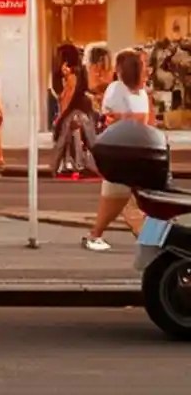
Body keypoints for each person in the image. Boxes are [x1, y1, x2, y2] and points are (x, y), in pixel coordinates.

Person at [82, 49, 154, 251]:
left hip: (127, 150)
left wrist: (123, 117)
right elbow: (137, 119)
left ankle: (98, 234)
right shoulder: (128, 90)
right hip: (126, 151)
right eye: (142, 66)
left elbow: (123, 116)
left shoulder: (127, 90)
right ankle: (149, 238)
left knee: (124, 197)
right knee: (123, 197)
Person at [52, 43, 96, 176]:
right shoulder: (80, 71)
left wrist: (59, 118)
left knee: (63, 131)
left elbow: (67, 99)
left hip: (76, 111)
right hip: (83, 111)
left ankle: (56, 166)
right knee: (74, 134)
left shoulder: (72, 75)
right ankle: (73, 163)